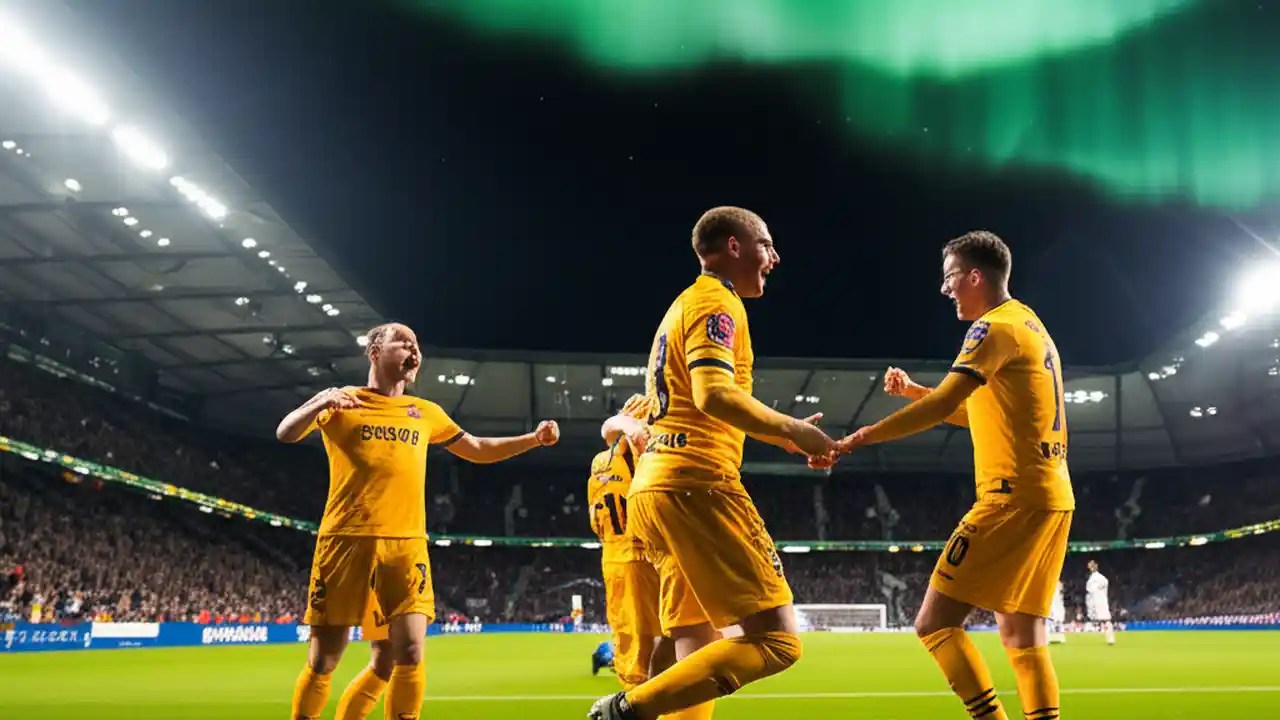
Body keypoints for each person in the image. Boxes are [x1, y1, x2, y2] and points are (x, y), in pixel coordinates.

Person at [589, 206, 835, 720]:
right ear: (733, 246)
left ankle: (638, 703)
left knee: (695, 642)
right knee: (778, 643)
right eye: (766, 244)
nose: (775, 256)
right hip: (698, 485)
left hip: (656, 489)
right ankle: (626, 709)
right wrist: (792, 428)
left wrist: (782, 441)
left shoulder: (683, 304)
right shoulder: (716, 305)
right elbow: (713, 394)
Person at [828, 231, 1072, 720]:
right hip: (1052, 496)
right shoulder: (1030, 324)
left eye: (950, 278)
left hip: (1009, 498)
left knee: (934, 623)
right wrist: (918, 391)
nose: (945, 289)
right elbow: (975, 414)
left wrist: (860, 438)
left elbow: (947, 402)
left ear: (976, 276)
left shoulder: (991, 328)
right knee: (1022, 636)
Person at [276, 322, 560, 720]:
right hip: (345, 541)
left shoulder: (426, 412)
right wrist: (318, 403)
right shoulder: (344, 402)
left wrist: (532, 438)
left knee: (404, 653)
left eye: (417, 345)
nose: (414, 350)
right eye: (403, 342)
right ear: (375, 351)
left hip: (406, 545)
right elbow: (286, 433)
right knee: (326, 658)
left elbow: (477, 448)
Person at [590, 394, 664, 690]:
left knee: (629, 639)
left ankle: (638, 696)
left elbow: (595, 523)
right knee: (660, 642)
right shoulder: (648, 457)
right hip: (646, 555)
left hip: (614, 557)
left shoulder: (599, 463)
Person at [1085, 560, 1116, 645]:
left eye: (1091, 566)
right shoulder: (1100, 578)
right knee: (1105, 620)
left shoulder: (1095, 579)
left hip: (1099, 601)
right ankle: (1109, 638)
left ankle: (1110, 638)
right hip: (1100, 601)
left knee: (1105, 620)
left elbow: (1089, 590)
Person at [1048, 580, 1067, 645]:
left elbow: (1062, 590)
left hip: (1057, 604)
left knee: (1058, 621)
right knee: (1052, 621)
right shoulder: (1052, 584)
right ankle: (1051, 637)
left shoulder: (1057, 584)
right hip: (1053, 604)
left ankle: (1059, 637)